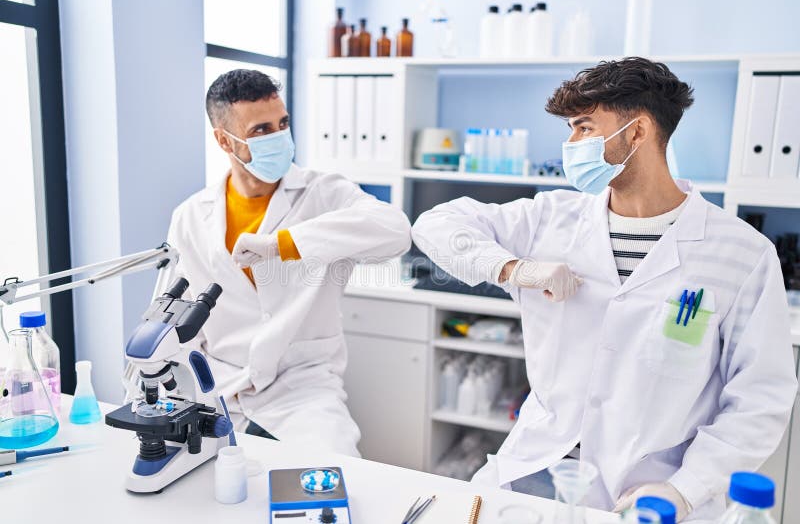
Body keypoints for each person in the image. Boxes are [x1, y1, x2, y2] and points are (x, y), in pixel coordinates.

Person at [411, 57, 797, 521]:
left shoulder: (741, 253)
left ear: (637, 133)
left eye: (584, 128)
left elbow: (761, 397)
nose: (571, 144)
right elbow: (435, 223)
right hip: (538, 467)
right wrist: (513, 268)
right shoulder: (551, 218)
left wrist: (686, 488)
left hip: (648, 489)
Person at [166, 69, 411, 456]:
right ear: (224, 141)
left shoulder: (324, 192)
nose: (279, 137)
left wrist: (284, 244)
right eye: (261, 130)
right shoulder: (191, 215)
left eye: (283, 124)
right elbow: (174, 314)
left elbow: (396, 230)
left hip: (303, 387)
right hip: (218, 386)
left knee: (334, 479)